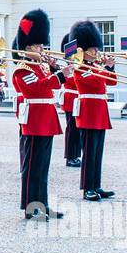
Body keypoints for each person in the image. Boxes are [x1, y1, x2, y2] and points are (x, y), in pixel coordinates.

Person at [12, 9, 66, 221]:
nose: (42, 48)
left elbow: (51, 84)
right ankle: (29, 206)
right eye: (37, 45)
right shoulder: (22, 69)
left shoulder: (41, 67)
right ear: (26, 48)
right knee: (32, 166)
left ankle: (41, 204)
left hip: (46, 118)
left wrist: (55, 70)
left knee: (42, 167)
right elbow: (37, 89)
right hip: (35, 120)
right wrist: (58, 75)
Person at [69, 20, 117, 202]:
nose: (97, 51)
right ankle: (87, 188)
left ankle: (96, 185)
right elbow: (95, 81)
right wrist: (105, 68)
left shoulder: (96, 67)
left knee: (97, 151)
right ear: (86, 50)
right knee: (89, 152)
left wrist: (110, 67)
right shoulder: (79, 67)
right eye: (95, 48)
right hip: (88, 111)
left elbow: (111, 82)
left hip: (99, 111)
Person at [59, 29, 82, 168]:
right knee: (72, 128)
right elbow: (72, 81)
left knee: (78, 128)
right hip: (70, 98)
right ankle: (70, 156)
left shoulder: (76, 63)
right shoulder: (65, 64)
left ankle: (76, 155)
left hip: (78, 98)